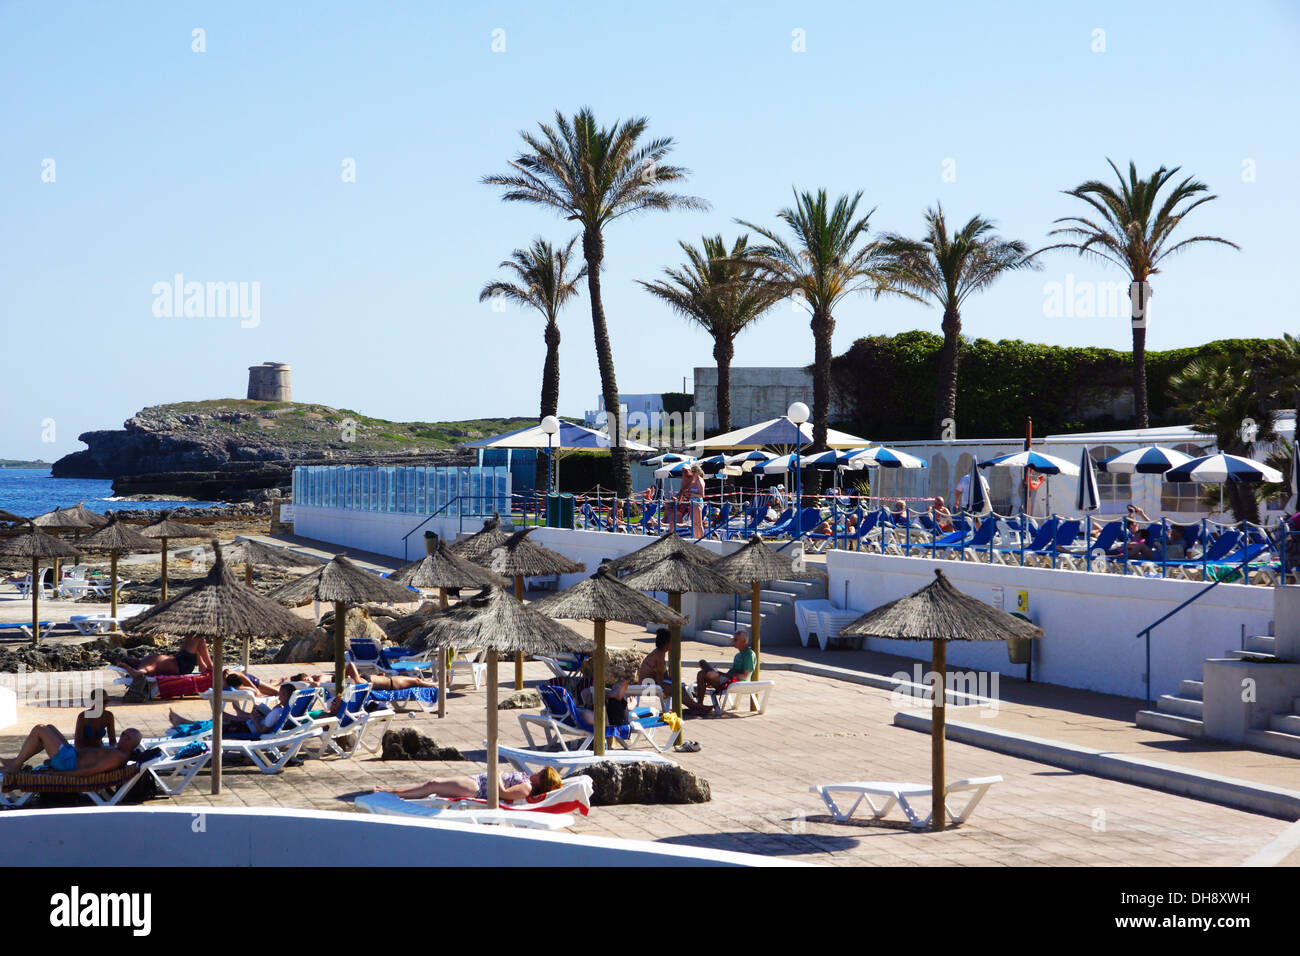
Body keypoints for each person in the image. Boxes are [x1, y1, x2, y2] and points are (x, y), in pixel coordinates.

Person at [2, 723, 142, 775]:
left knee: (40, 729)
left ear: (131, 743)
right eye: (124, 733)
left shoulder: (117, 756)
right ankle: (16, 761)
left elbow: (91, 770)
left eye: (126, 736)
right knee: (49, 728)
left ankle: (15, 765)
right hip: (72, 755)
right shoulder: (118, 752)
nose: (122, 736)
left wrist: (59, 774)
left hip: (67, 763)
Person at [373, 766, 563, 803]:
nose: (536, 772)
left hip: (477, 788)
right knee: (432, 785)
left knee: (433, 784)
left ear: (542, 780)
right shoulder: (528, 781)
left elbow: (501, 793)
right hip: (477, 781)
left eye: (540, 773)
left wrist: (496, 773)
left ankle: (390, 793)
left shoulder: (527, 788)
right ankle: (390, 792)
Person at [690, 630, 756, 716]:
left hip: (734, 682)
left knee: (702, 673)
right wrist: (722, 674)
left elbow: (744, 676)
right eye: (733, 639)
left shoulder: (749, 655)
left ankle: (699, 706)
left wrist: (724, 675)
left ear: (743, 641)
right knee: (702, 664)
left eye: (736, 640)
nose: (733, 641)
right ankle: (700, 705)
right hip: (728, 679)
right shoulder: (738, 655)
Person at [119, 634, 212, 679]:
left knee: (191, 635)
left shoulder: (143, 660)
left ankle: (202, 665)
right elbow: (138, 674)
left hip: (179, 659)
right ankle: (210, 666)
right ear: (131, 665)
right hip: (182, 666)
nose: (131, 658)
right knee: (198, 638)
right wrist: (125, 667)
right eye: (129, 660)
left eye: (129, 657)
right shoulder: (143, 666)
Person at [678, 463, 706, 538]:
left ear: (696, 472)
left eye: (692, 472)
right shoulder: (695, 480)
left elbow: (702, 494)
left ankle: (701, 539)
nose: (691, 473)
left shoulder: (700, 480)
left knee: (699, 523)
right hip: (693, 502)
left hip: (697, 502)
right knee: (694, 523)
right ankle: (696, 538)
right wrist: (687, 493)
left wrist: (691, 493)